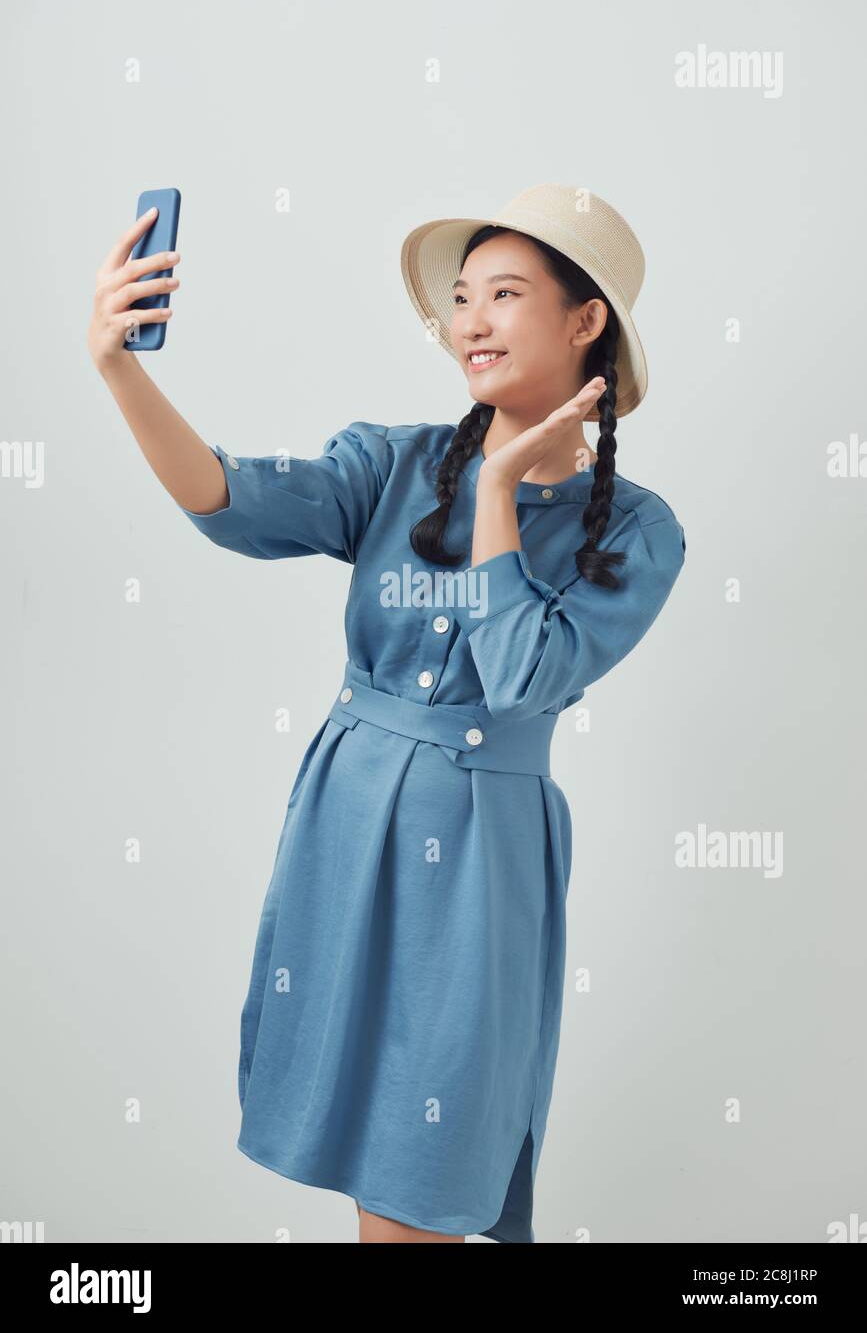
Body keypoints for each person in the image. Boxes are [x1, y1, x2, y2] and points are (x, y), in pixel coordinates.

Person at [87, 182, 686, 1244]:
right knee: (370, 1159)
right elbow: (231, 500)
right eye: (463, 298)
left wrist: (499, 486)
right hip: (348, 821)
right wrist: (118, 368)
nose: (473, 322)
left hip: (481, 862)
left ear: (586, 320)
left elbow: (521, 673)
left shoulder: (639, 533)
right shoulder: (394, 461)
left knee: (429, 1161)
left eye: (506, 294)